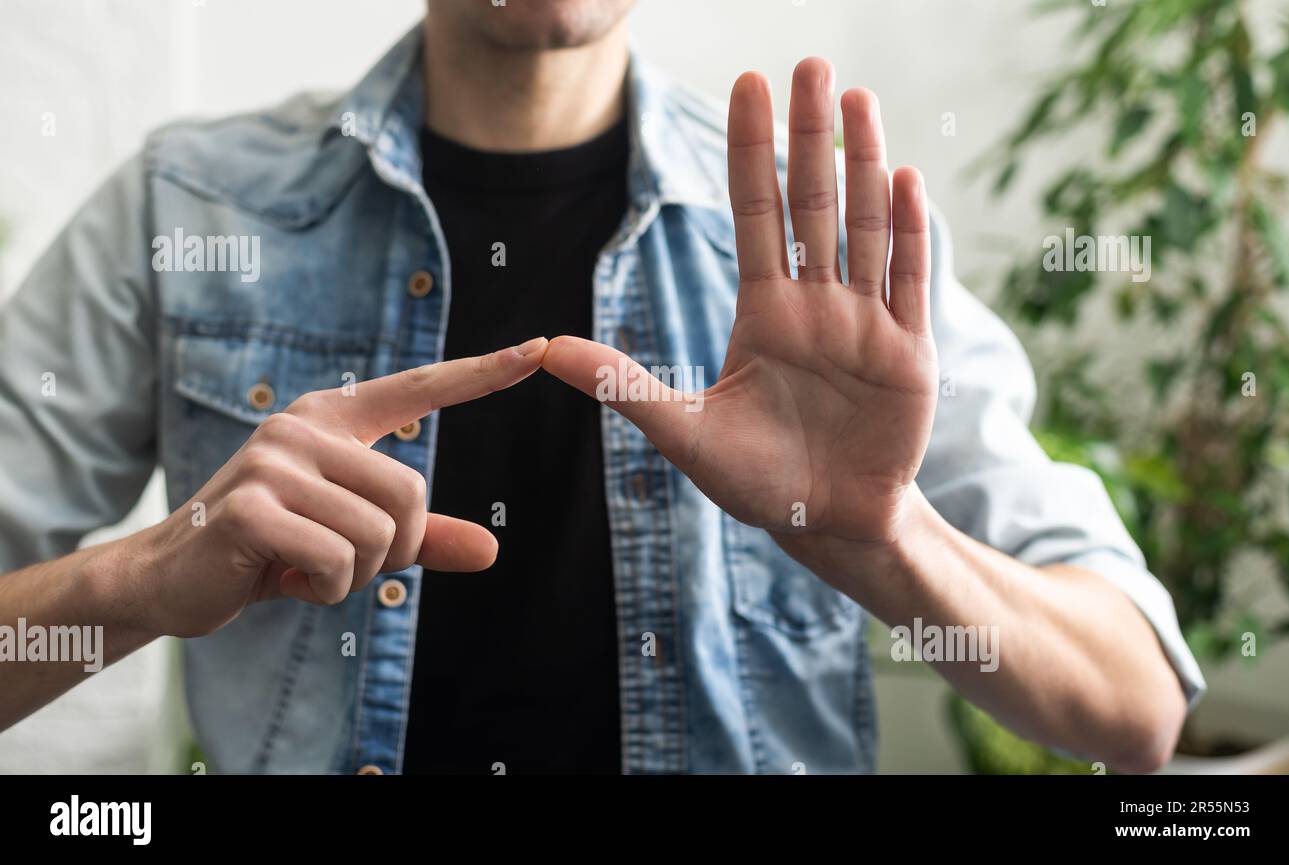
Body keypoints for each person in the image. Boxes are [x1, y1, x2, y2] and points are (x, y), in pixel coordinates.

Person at [0, 0, 1204, 774]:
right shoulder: (185, 206)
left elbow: (1135, 706)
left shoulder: (830, 252)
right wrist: (147, 574)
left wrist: (885, 538)